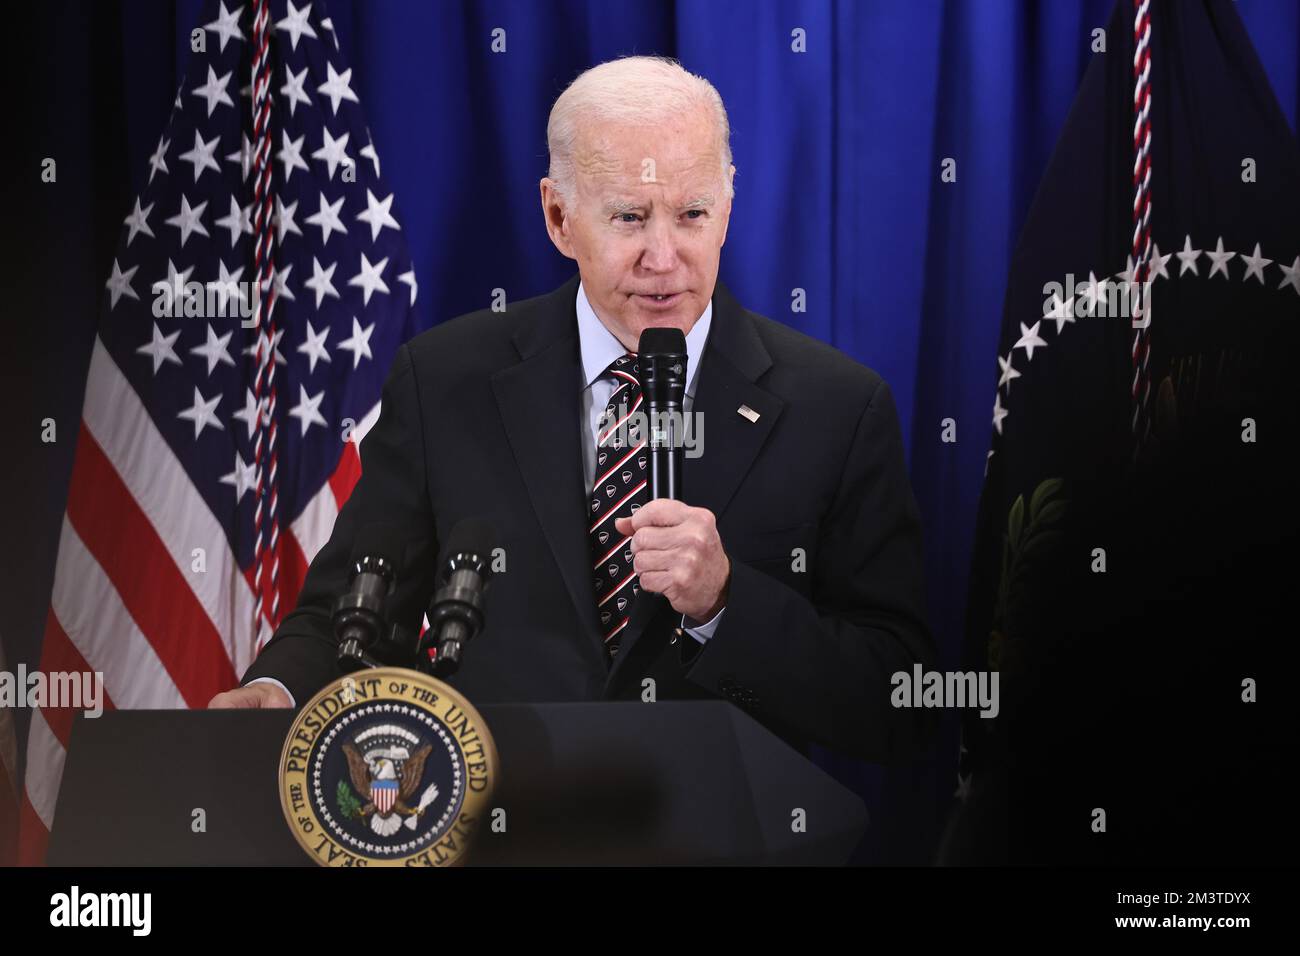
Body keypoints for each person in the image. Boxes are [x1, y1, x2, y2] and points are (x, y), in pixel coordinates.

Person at [211, 56, 935, 763]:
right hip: (503, 830)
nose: (664, 257)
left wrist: (725, 603)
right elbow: (355, 608)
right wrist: (282, 687)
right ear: (559, 216)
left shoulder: (836, 407)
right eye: (628, 217)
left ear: (728, 207)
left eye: (691, 214)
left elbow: (893, 697)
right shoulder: (446, 381)